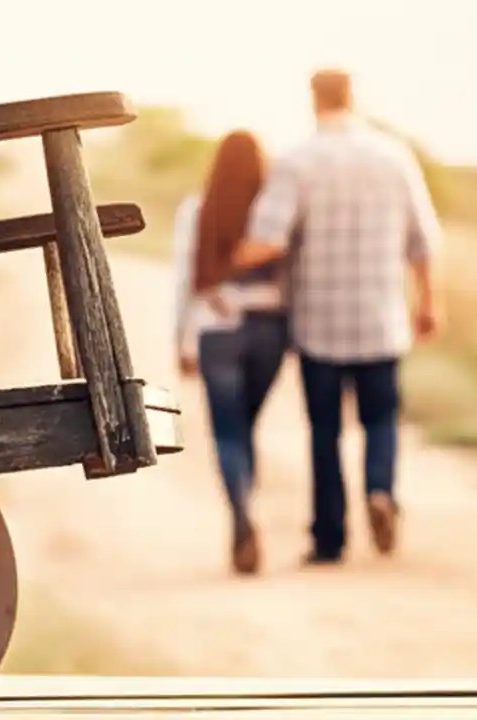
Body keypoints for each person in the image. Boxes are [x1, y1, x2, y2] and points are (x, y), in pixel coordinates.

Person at [233, 69, 443, 565]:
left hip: (318, 324)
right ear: (353, 96)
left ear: (315, 98)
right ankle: (380, 491)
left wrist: (221, 260)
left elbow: (269, 240)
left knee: (325, 432)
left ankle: (330, 539)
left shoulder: (297, 160)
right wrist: (429, 302)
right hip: (381, 319)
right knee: (381, 420)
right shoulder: (394, 156)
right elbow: (424, 240)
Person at [172, 131, 289, 575]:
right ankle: (247, 506)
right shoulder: (273, 212)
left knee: (227, 432)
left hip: (216, 330)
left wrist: (182, 341)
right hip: (268, 330)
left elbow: (185, 280)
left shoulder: (198, 209)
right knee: (246, 427)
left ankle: (242, 514)